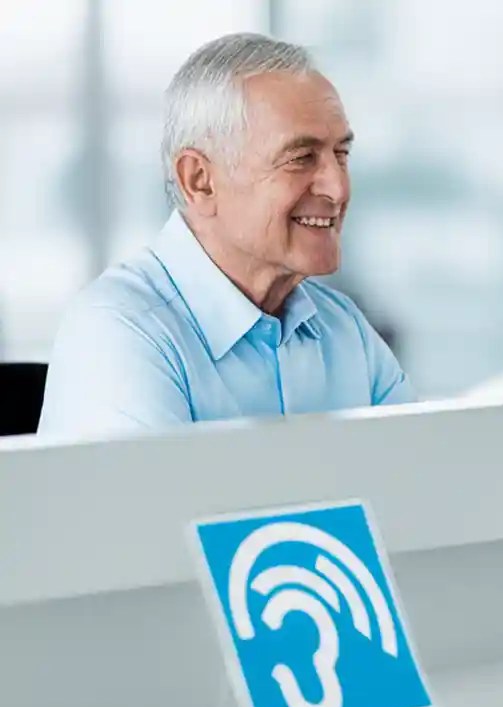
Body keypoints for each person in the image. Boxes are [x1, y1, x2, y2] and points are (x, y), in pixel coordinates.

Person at [39, 33, 415, 439]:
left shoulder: (344, 329)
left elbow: (425, 485)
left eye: (341, 154)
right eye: (301, 158)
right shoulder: (118, 335)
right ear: (200, 181)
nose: (337, 188)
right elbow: (156, 505)